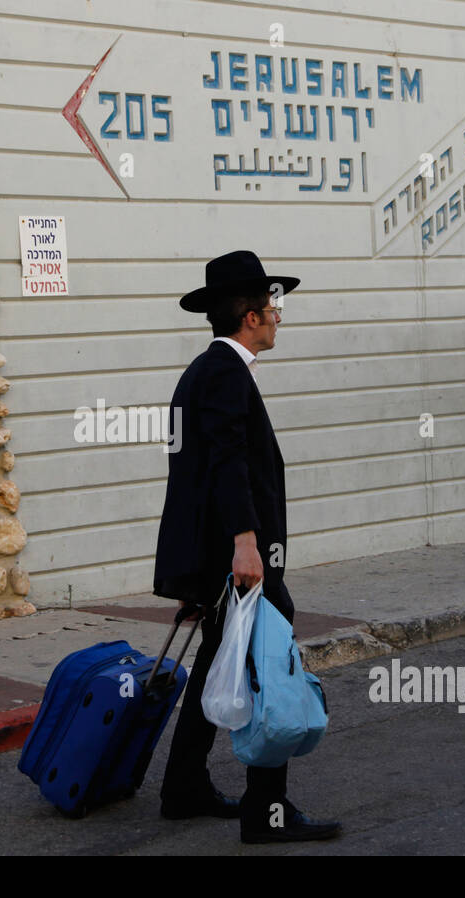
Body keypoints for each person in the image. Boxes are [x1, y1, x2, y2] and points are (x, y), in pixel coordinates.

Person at [153, 250, 341, 844]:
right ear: (251, 318)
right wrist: (245, 547)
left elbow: (197, 474)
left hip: (216, 557)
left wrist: (198, 573)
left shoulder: (204, 371)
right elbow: (230, 465)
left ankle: (182, 787)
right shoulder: (226, 375)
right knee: (269, 662)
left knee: (217, 661)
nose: (280, 318)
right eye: (273, 309)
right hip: (239, 558)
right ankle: (267, 812)